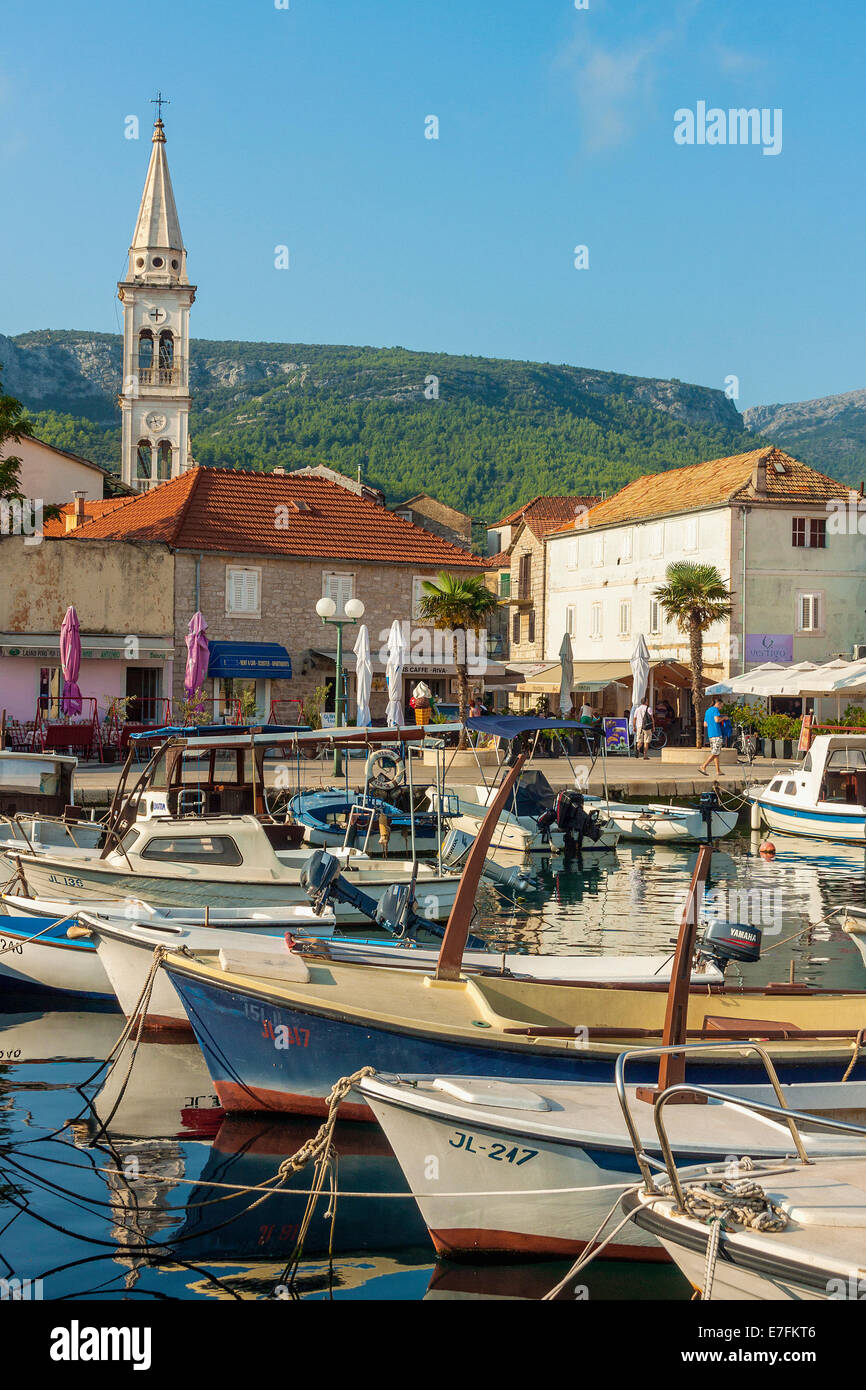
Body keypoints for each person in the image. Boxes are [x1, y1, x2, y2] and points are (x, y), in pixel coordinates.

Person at [699, 701, 724, 776]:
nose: (721, 708)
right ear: (718, 704)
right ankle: (703, 766)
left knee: (716, 753)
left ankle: (718, 771)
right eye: (721, 706)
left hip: (710, 734)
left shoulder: (707, 711)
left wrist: (711, 724)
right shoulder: (715, 710)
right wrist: (724, 718)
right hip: (717, 733)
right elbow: (717, 720)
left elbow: (705, 724)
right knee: (715, 752)